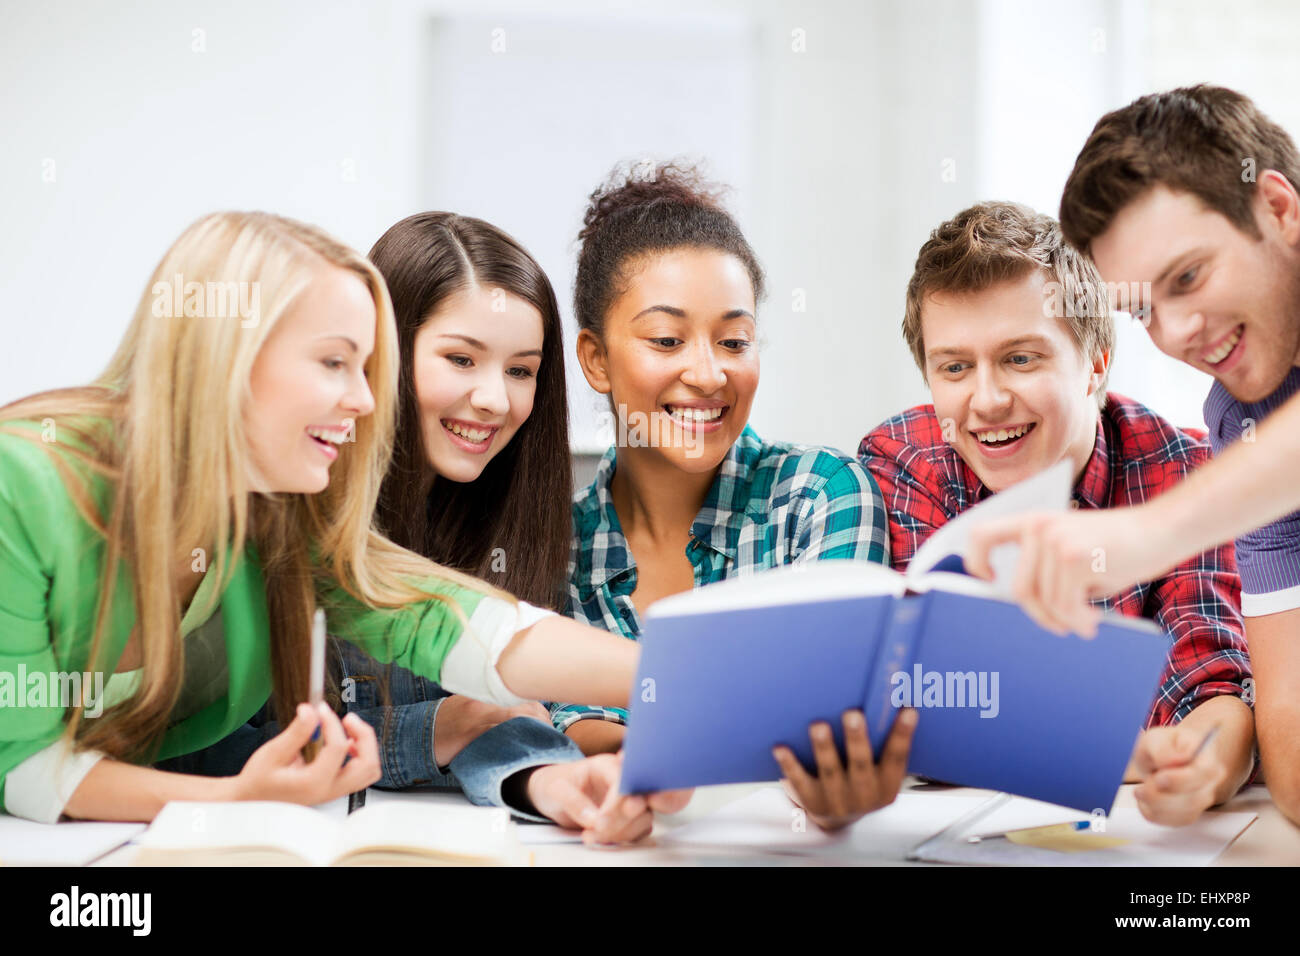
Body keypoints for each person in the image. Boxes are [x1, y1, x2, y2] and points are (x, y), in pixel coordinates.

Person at [0, 211, 645, 833]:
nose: (367, 400)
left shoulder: (275, 512)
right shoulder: (23, 485)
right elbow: (24, 769)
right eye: (336, 363)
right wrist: (235, 799)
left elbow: (451, 622)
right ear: (229, 356)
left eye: (366, 368)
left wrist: (666, 674)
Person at [961, 86, 1300, 825]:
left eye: (1187, 278)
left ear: (1279, 208)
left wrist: (1145, 535)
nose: (1176, 332)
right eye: (1145, 308)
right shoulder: (1245, 421)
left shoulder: (1229, 470)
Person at [860, 201, 1254, 825]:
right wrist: (1117, 744)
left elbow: (1210, 688)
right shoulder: (905, 459)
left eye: (1022, 358)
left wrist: (1203, 762)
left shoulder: (1184, 467)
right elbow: (925, 709)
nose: (986, 400)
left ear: (1095, 364)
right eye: (955, 368)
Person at [557, 161, 914, 831]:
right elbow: (561, 731)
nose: (708, 372)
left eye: (735, 340)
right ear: (596, 358)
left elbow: (831, 718)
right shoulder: (557, 546)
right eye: (667, 339)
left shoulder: (821, 496)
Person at [328, 211, 684, 839]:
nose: (496, 398)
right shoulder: (304, 504)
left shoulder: (507, 519)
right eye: (461, 359)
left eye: (521, 370)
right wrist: (434, 730)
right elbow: (235, 743)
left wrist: (550, 782)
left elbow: (495, 709)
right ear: (379, 351)